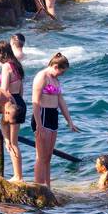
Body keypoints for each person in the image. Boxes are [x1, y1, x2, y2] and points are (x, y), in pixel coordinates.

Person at [31, 53, 77, 186]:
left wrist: (69, 121)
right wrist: (38, 124)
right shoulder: (42, 76)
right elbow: (35, 101)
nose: (62, 75)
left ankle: (48, 186)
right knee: (41, 156)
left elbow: (61, 100)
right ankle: (38, 187)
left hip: (53, 116)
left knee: (48, 157)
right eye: (61, 72)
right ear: (55, 66)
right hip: (42, 115)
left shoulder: (56, 80)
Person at [0, 40, 26, 182]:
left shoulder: (6, 66)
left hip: (10, 102)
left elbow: (4, 90)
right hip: (19, 101)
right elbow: (21, 89)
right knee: (13, 141)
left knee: (12, 143)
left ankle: (17, 176)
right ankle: (18, 174)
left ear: (0, 54)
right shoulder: (17, 65)